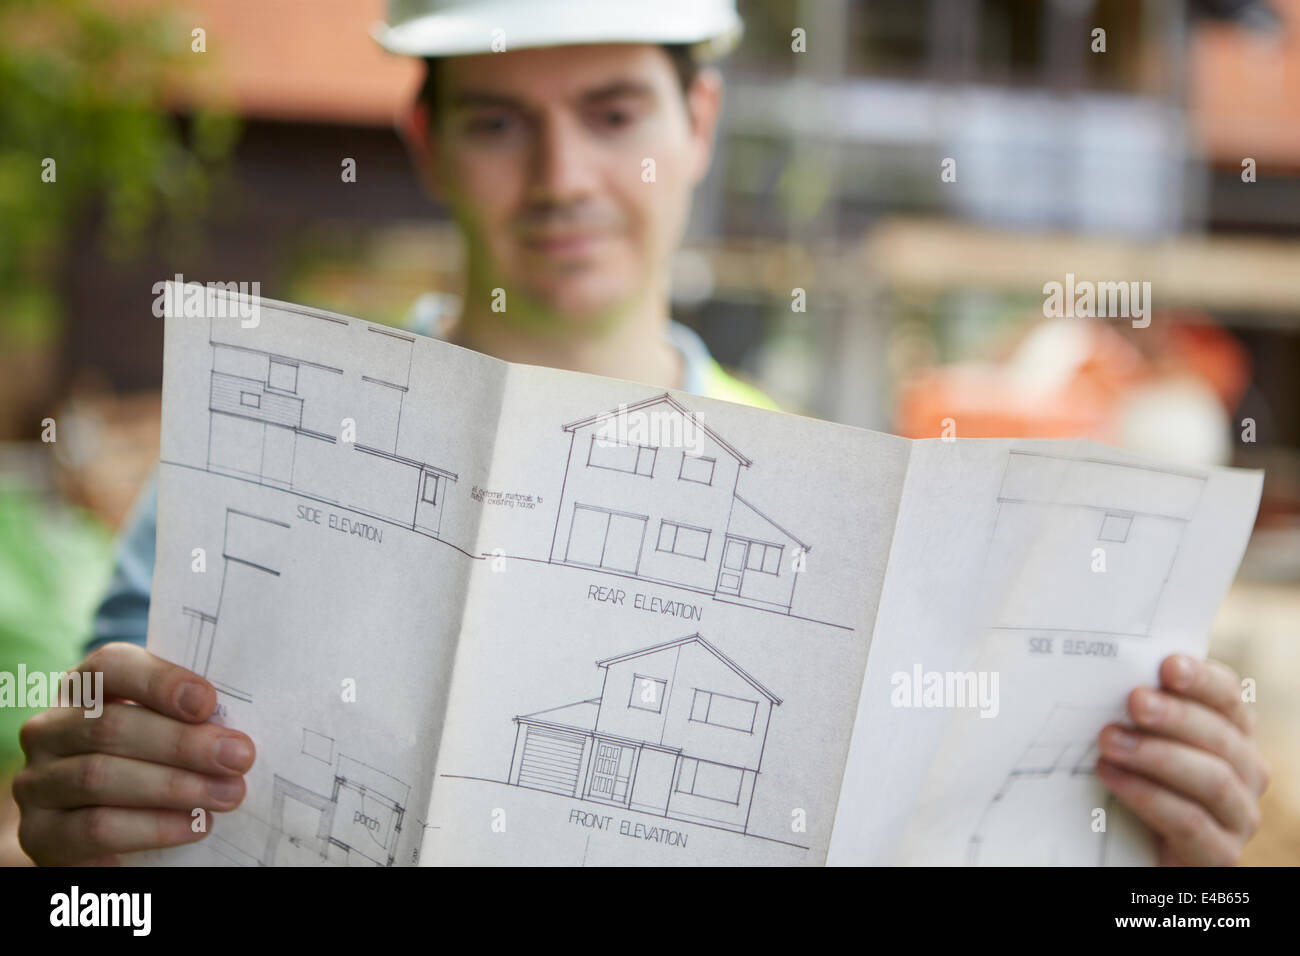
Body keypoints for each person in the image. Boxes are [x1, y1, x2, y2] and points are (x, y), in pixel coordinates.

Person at [10, 0, 1268, 867]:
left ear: (700, 125)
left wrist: (1172, 885)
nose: (562, 176)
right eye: (500, 120)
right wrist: (82, 852)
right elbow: (90, 889)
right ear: (427, 146)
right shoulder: (260, 459)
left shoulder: (840, 503)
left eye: (613, 113)